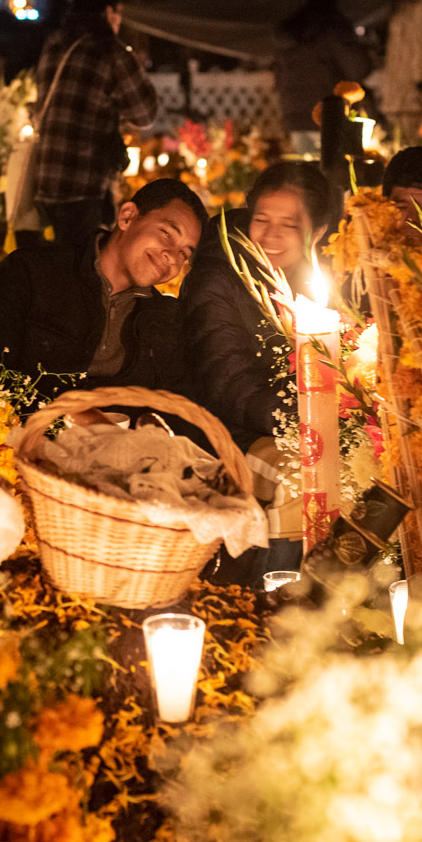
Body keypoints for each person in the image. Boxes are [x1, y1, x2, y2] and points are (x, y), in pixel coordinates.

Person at [181, 161, 339, 584]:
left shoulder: (321, 282)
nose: (270, 235)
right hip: (228, 431)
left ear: (317, 232)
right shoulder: (218, 278)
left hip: (298, 425)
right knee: (302, 474)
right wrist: (314, 421)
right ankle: (276, 595)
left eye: (289, 224)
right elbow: (228, 383)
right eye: (262, 219)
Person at [0, 178, 207, 393]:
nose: (171, 256)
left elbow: (175, 399)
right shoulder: (31, 274)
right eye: (167, 233)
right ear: (127, 217)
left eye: (184, 254)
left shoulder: (164, 317)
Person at [26, 0, 159, 247]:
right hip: (83, 183)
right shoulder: (111, 52)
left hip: (47, 177)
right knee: (84, 262)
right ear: (108, 12)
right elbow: (145, 114)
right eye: (119, 13)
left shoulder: (54, 43)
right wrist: (136, 63)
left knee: (55, 260)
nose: (119, 20)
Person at [273, 0, 372, 154]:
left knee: (305, 167)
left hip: (295, 118)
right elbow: (359, 68)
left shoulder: (290, 35)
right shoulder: (332, 31)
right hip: (328, 114)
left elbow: (279, 78)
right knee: (334, 166)